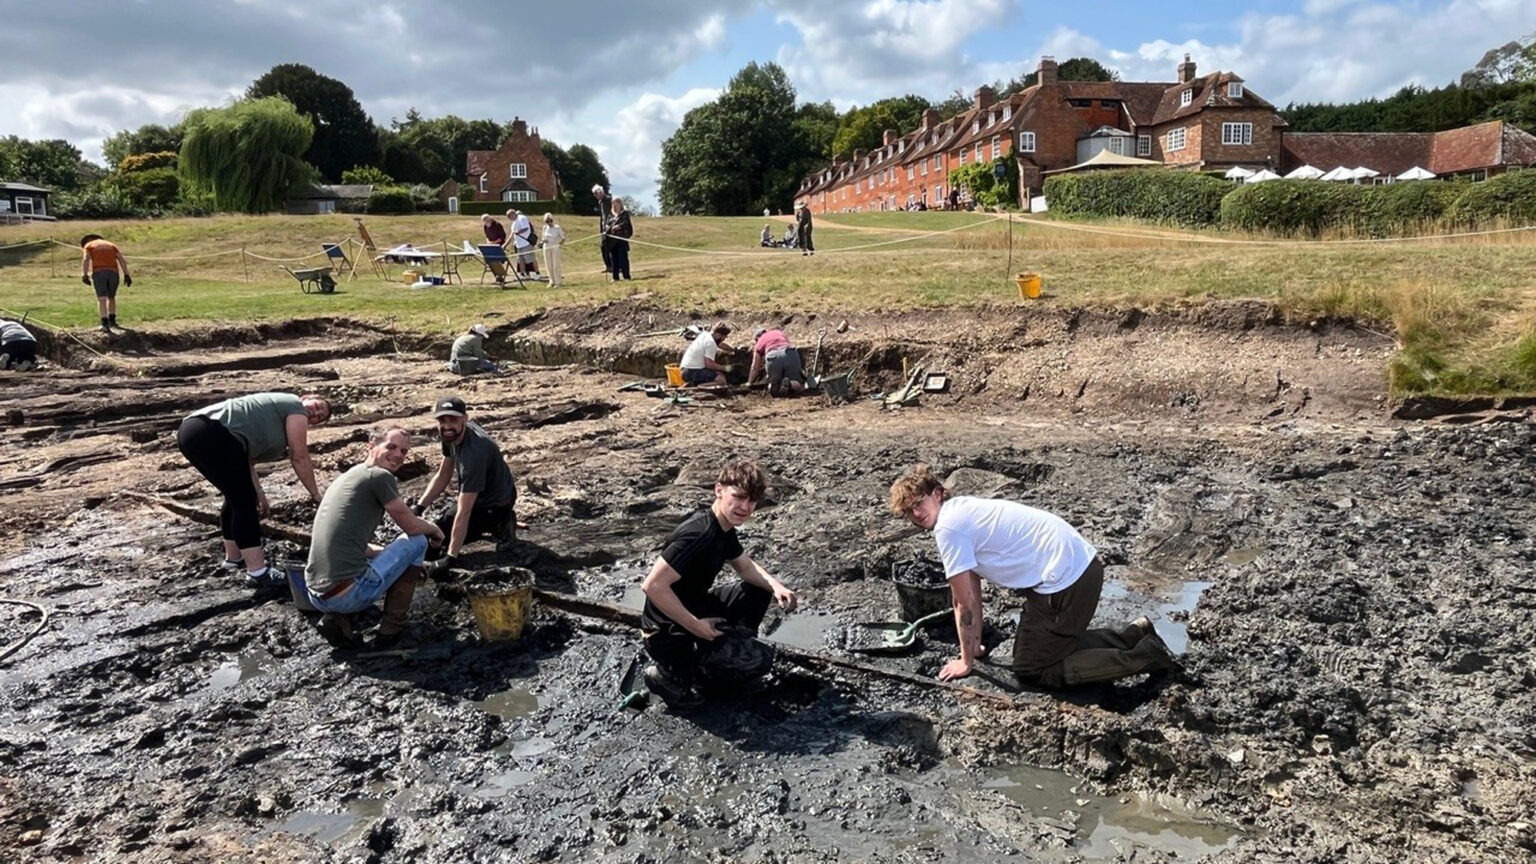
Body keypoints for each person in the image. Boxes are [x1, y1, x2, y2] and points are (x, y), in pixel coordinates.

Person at [889, 466, 1179, 689]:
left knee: (1032, 668)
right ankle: (1133, 635)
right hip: (1081, 567)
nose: (916, 513)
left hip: (1066, 582)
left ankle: (1144, 656)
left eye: (919, 503)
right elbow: (971, 591)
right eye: (908, 511)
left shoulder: (948, 528)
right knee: (1041, 649)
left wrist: (965, 662)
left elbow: (962, 605)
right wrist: (973, 647)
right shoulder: (961, 510)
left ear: (938, 494)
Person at [639, 460, 797, 708]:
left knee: (759, 590)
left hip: (695, 606)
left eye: (752, 501)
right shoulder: (698, 534)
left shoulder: (723, 528)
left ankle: (725, 651)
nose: (745, 507)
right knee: (760, 660)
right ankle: (672, 676)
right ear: (719, 490)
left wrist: (776, 586)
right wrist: (697, 626)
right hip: (665, 633)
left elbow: (746, 567)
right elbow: (652, 586)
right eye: (739, 497)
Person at [306, 426, 445, 649]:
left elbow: (355, 545)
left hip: (316, 595)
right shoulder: (379, 476)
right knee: (418, 541)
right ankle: (392, 629)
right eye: (391, 447)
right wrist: (435, 530)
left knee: (388, 553)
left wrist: (395, 557)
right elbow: (411, 526)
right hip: (347, 595)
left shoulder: (348, 477)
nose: (398, 455)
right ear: (371, 444)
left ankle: (339, 619)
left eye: (404, 451)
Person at [177, 392, 330, 585]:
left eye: (319, 417)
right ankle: (258, 572)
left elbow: (245, 460)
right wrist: (316, 494)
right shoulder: (295, 406)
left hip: (191, 433)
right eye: (318, 406)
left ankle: (234, 560)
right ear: (307, 397)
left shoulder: (271, 418)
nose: (315, 413)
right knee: (244, 502)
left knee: (235, 497)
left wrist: (259, 492)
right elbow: (299, 456)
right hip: (211, 432)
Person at [416, 395, 518, 576]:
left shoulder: (474, 455)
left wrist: (451, 557)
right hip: (484, 493)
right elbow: (443, 474)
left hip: (495, 502)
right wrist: (419, 507)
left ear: (465, 418)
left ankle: (502, 522)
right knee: (438, 530)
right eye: (442, 420)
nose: (447, 426)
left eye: (453, 420)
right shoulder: (450, 435)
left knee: (444, 537)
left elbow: (464, 511)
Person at [80, 234, 132, 334]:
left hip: (99, 272)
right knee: (111, 297)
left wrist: (85, 275)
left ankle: (104, 323)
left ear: (89, 239)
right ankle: (112, 320)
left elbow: (86, 259)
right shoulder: (111, 245)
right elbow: (121, 260)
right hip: (114, 273)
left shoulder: (89, 245)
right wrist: (126, 274)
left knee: (102, 299)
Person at [745, 327, 805, 397]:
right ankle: (789, 384)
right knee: (798, 384)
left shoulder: (759, 341)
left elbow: (755, 367)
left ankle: (772, 385)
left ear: (757, 337)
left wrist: (749, 382)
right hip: (789, 353)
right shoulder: (779, 332)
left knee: (774, 380)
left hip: (773, 356)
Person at [679, 322, 731, 386]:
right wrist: (725, 368)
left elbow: (720, 344)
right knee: (721, 379)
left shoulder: (705, 335)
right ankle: (699, 387)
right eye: (724, 337)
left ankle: (694, 383)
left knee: (716, 373)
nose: (723, 339)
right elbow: (709, 365)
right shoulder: (711, 343)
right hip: (691, 372)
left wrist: (733, 349)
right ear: (719, 335)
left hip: (685, 370)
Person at [507, 209, 539, 279]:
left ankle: (537, 273)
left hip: (526, 243)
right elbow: (512, 234)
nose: (510, 219)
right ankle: (522, 274)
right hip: (518, 245)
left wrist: (518, 232)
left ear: (513, 214)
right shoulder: (514, 223)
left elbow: (526, 228)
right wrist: (505, 244)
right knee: (520, 260)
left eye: (509, 217)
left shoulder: (522, 218)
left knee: (531, 259)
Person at [608, 196, 633, 281]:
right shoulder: (610, 215)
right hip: (612, 239)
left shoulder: (624, 213)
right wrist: (609, 228)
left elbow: (626, 223)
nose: (614, 206)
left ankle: (626, 276)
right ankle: (615, 277)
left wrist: (618, 226)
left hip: (622, 238)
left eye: (615, 204)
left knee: (623, 258)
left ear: (620, 204)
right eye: (612, 204)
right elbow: (607, 223)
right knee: (614, 258)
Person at [480, 214, 509, 286]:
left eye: (486, 220)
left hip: (499, 246)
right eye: (484, 221)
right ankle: (497, 276)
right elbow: (487, 236)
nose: (485, 222)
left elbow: (503, 237)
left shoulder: (497, 225)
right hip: (490, 246)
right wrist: (488, 243)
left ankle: (500, 276)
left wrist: (494, 242)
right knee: (490, 262)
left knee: (498, 261)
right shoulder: (485, 226)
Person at [540, 212, 565, 287]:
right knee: (548, 265)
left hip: (555, 247)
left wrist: (558, 244)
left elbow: (563, 238)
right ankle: (552, 281)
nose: (549, 222)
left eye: (550, 220)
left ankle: (558, 281)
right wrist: (542, 242)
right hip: (546, 247)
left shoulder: (557, 227)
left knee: (555, 265)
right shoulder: (545, 228)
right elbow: (543, 238)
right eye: (547, 221)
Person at [594, 184, 614, 274]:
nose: (595, 195)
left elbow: (611, 213)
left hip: (610, 226)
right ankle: (608, 266)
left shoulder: (608, 200)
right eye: (594, 194)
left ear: (601, 192)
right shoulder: (600, 202)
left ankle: (614, 266)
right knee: (604, 247)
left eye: (596, 193)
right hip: (604, 227)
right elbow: (602, 216)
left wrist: (609, 224)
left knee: (610, 247)